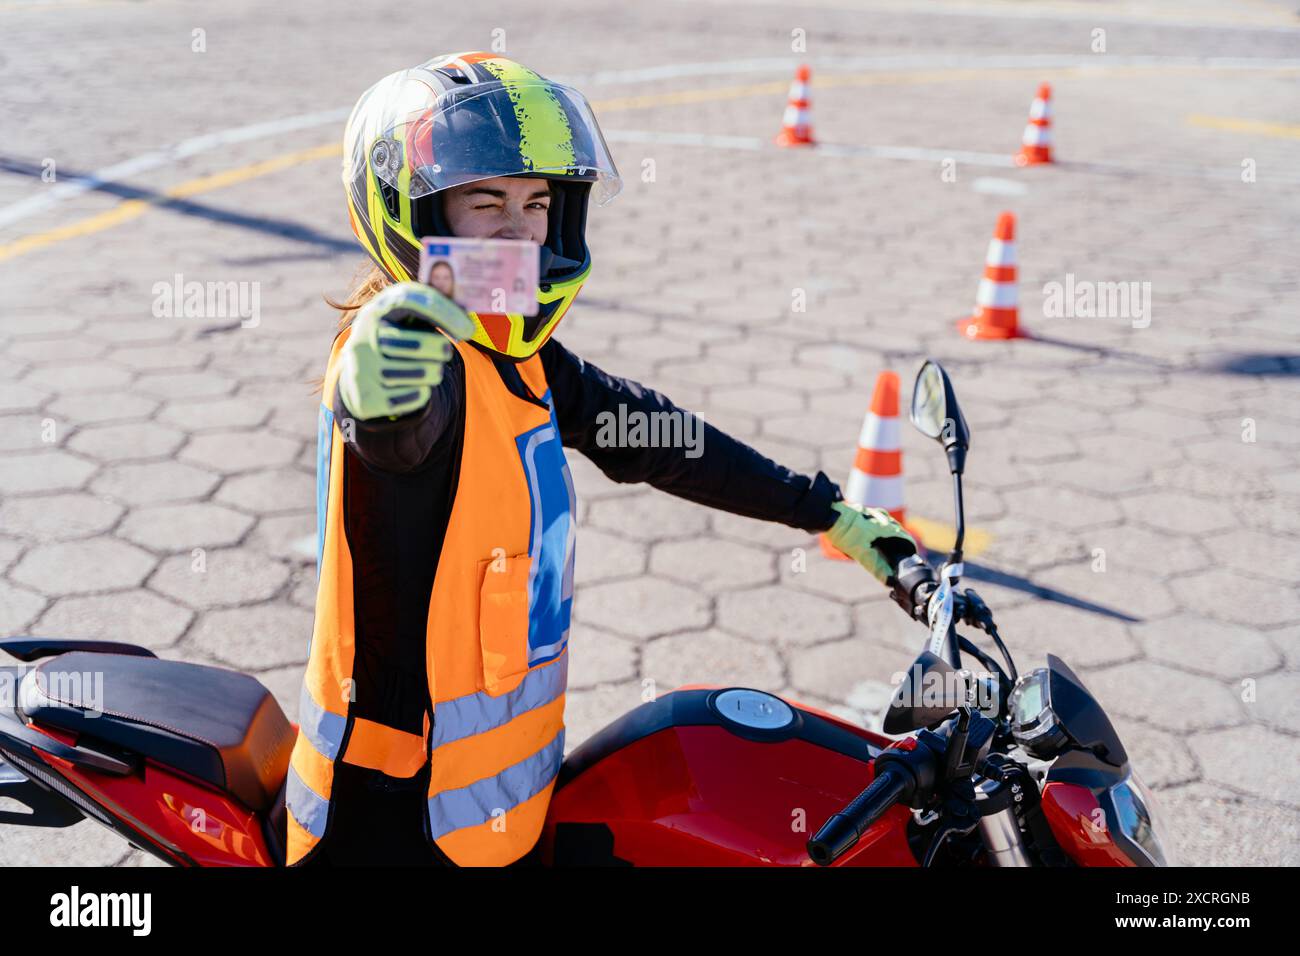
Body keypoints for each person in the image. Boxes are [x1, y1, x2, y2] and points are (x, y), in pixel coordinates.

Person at [286, 52, 917, 867]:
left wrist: (828, 512)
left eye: (538, 202)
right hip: (389, 823)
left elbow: (665, 441)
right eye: (485, 202)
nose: (519, 230)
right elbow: (394, 437)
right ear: (412, 217)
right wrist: (377, 394)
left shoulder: (524, 359)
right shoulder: (418, 363)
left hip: (501, 804)